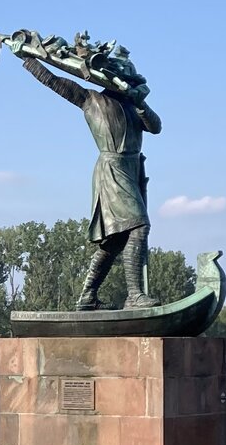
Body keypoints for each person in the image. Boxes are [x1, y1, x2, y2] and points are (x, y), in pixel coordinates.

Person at [22, 56, 164, 310]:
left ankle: (87, 297)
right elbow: (54, 81)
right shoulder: (91, 99)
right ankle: (134, 296)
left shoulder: (133, 104)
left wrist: (139, 101)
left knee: (115, 241)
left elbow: (156, 126)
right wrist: (29, 59)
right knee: (139, 227)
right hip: (113, 169)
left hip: (132, 169)